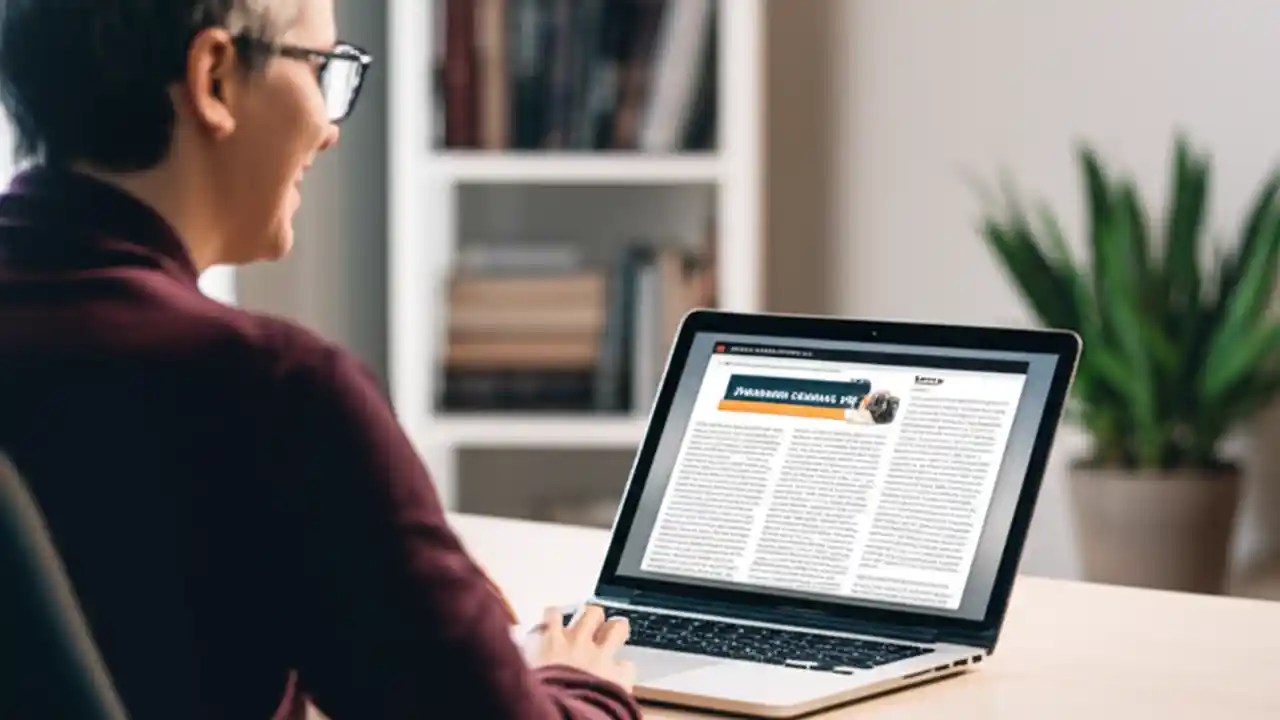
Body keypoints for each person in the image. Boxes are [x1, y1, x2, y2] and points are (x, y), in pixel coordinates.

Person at [0, 1, 638, 718]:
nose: (331, 131)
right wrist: (581, 681)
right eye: (322, 70)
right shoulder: (272, 390)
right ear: (213, 77)